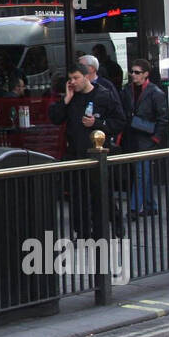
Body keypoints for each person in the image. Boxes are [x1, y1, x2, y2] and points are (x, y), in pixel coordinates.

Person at [50, 63, 125, 235]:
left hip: (97, 155)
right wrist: (66, 99)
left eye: (76, 78)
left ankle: (115, 221)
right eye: (70, 79)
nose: (73, 82)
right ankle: (82, 231)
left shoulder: (104, 95)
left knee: (101, 194)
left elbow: (119, 121)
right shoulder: (72, 97)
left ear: (86, 76)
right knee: (78, 196)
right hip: (75, 153)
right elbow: (55, 117)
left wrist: (98, 124)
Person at [122, 59, 168, 218]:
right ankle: (150, 205)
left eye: (137, 72)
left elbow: (163, 118)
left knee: (141, 172)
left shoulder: (155, 92)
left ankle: (135, 207)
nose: (133, 75)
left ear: (146, 74)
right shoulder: (127, 90)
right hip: (132, 135)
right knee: (142, 172)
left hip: (147, 137)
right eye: (132, 72)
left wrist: (155, 138)